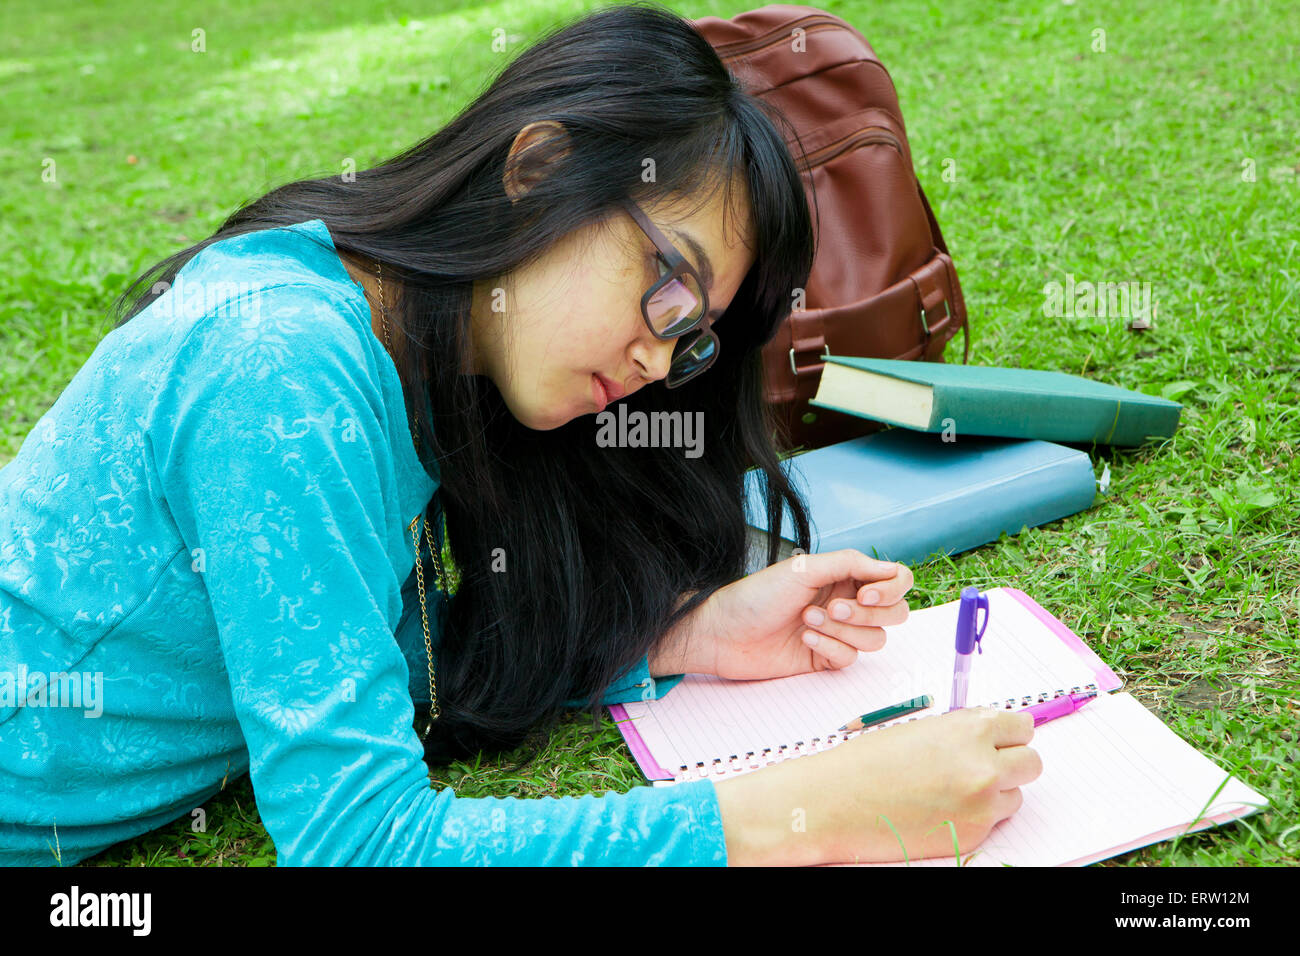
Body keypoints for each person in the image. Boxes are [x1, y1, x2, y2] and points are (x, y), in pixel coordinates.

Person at [0, 2, 1040, 867]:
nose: (652, 361)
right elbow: (362, 845)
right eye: (665, 292)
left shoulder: (397, 341)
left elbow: (337, 647)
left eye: (690, 344)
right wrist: (812, 814)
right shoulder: (276, 363)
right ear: (539, 168)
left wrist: (678, 636)